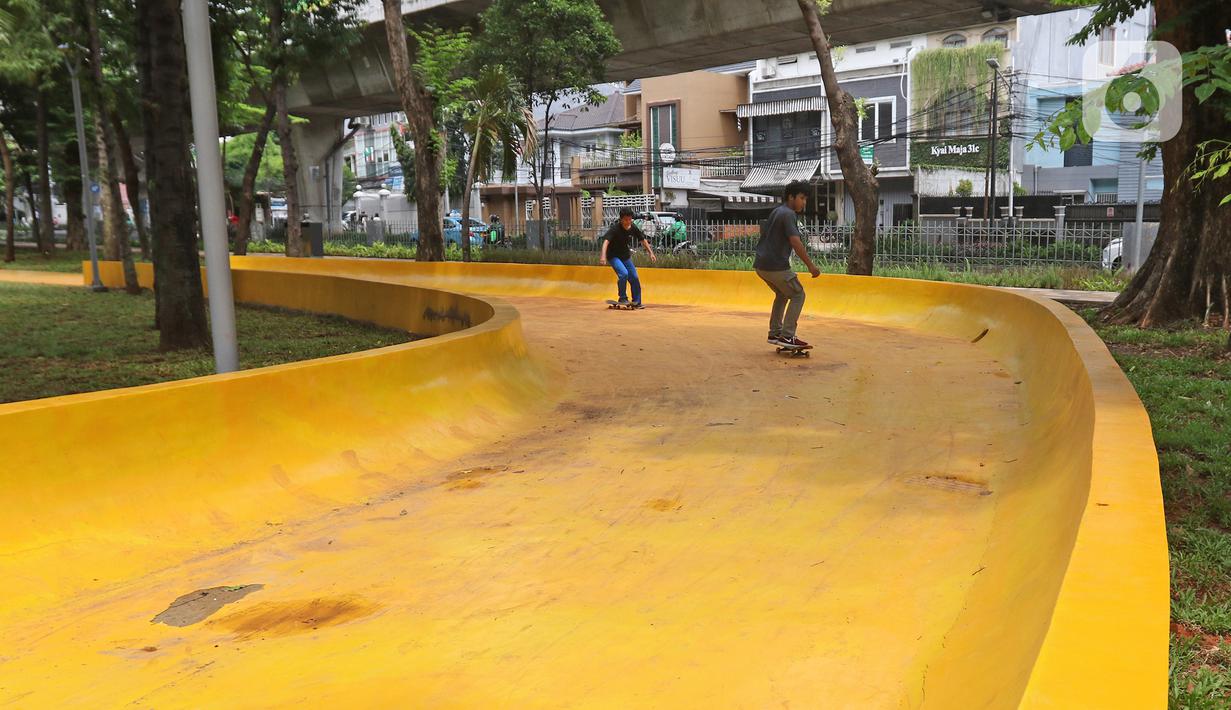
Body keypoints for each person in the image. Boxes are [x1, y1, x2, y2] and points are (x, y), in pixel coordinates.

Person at [754, 180, 821, 349]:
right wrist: (811, 266)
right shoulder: (788, 214)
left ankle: (775, 332)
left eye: (805, 199)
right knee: (798, 295)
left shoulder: (777, 211)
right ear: (791, 197)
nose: (804, 203)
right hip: (776, 265)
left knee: (782, 294)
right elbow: (795, 242)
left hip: (761, 265)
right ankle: (787, 336)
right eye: (802, 198)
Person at [600, 207, 656, 308]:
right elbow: (606, 242)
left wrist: (651, 253)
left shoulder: (633, 227)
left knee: (634, 277)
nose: (628, 222)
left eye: (630, 219)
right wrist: (603, 256)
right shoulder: (615, 229)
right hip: (613, 256)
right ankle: (622, 297)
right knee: (623, 274)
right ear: (621, 219)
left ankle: (637, 301)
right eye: (626, 220)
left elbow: (642, 240)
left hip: (625, 256)